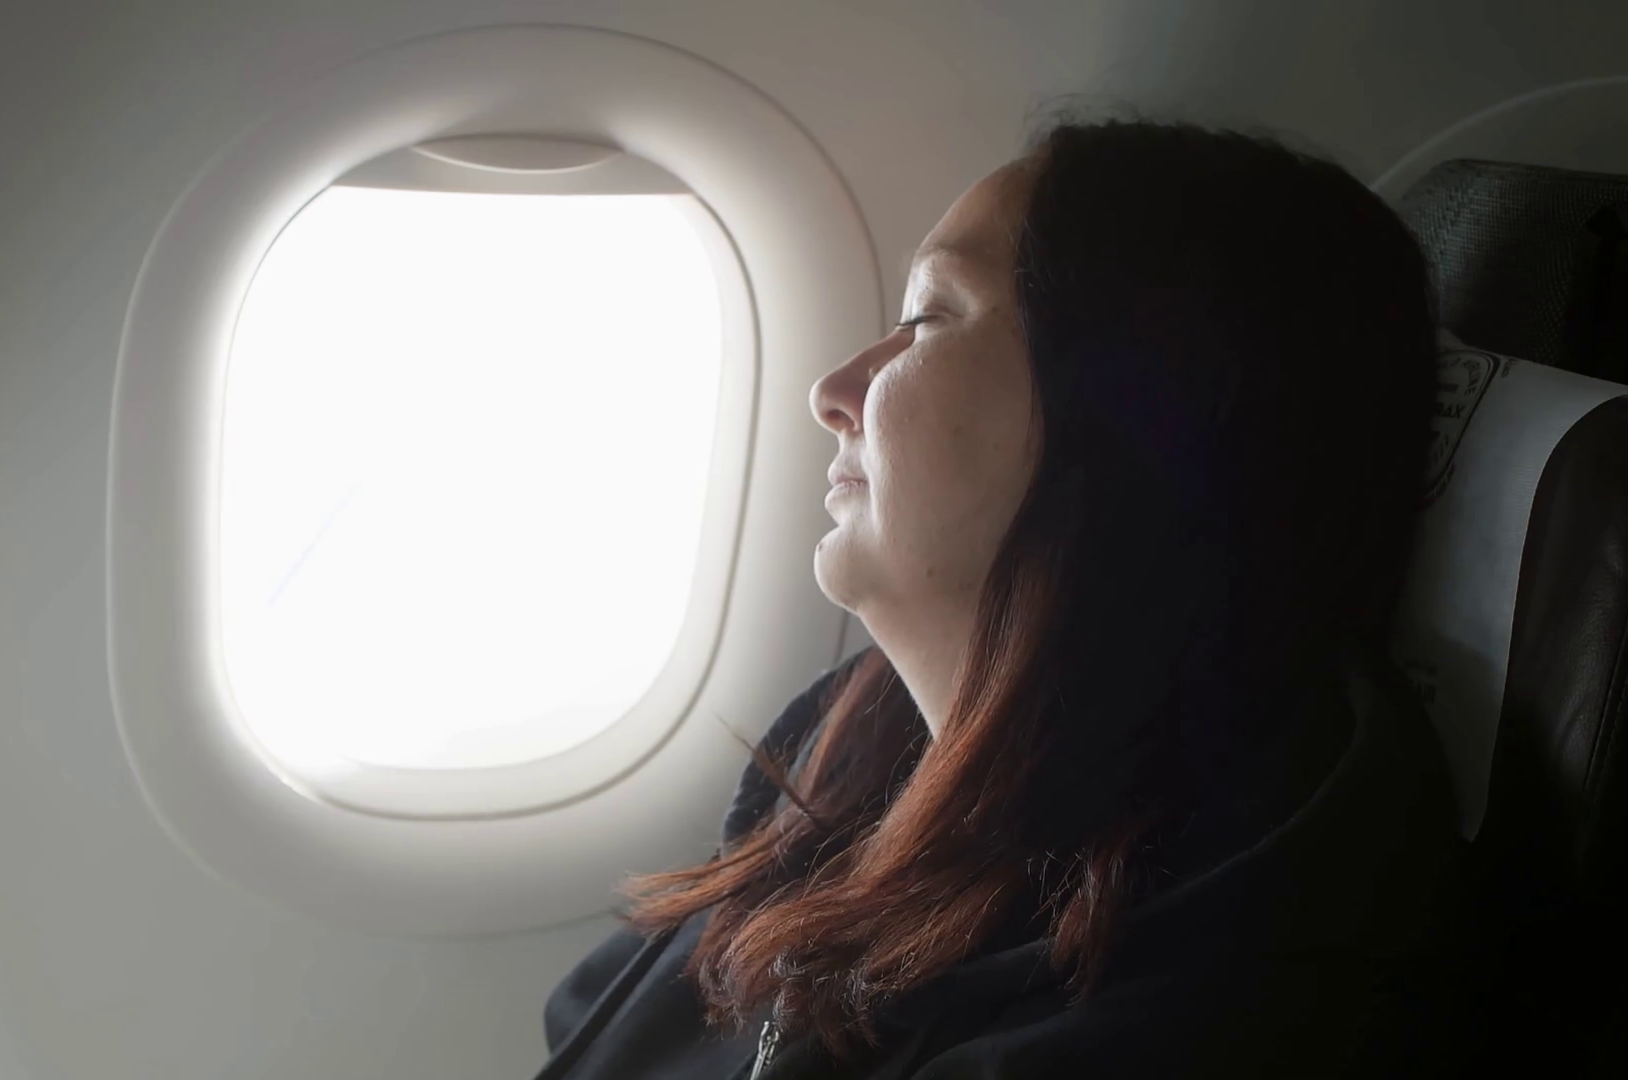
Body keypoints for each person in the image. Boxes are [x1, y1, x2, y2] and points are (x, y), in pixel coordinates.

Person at [532, 117, 1462, 1080]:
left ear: (1135, 415)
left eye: (929, 318)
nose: (834, 388)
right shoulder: (864, 736)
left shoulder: (1209, 994)